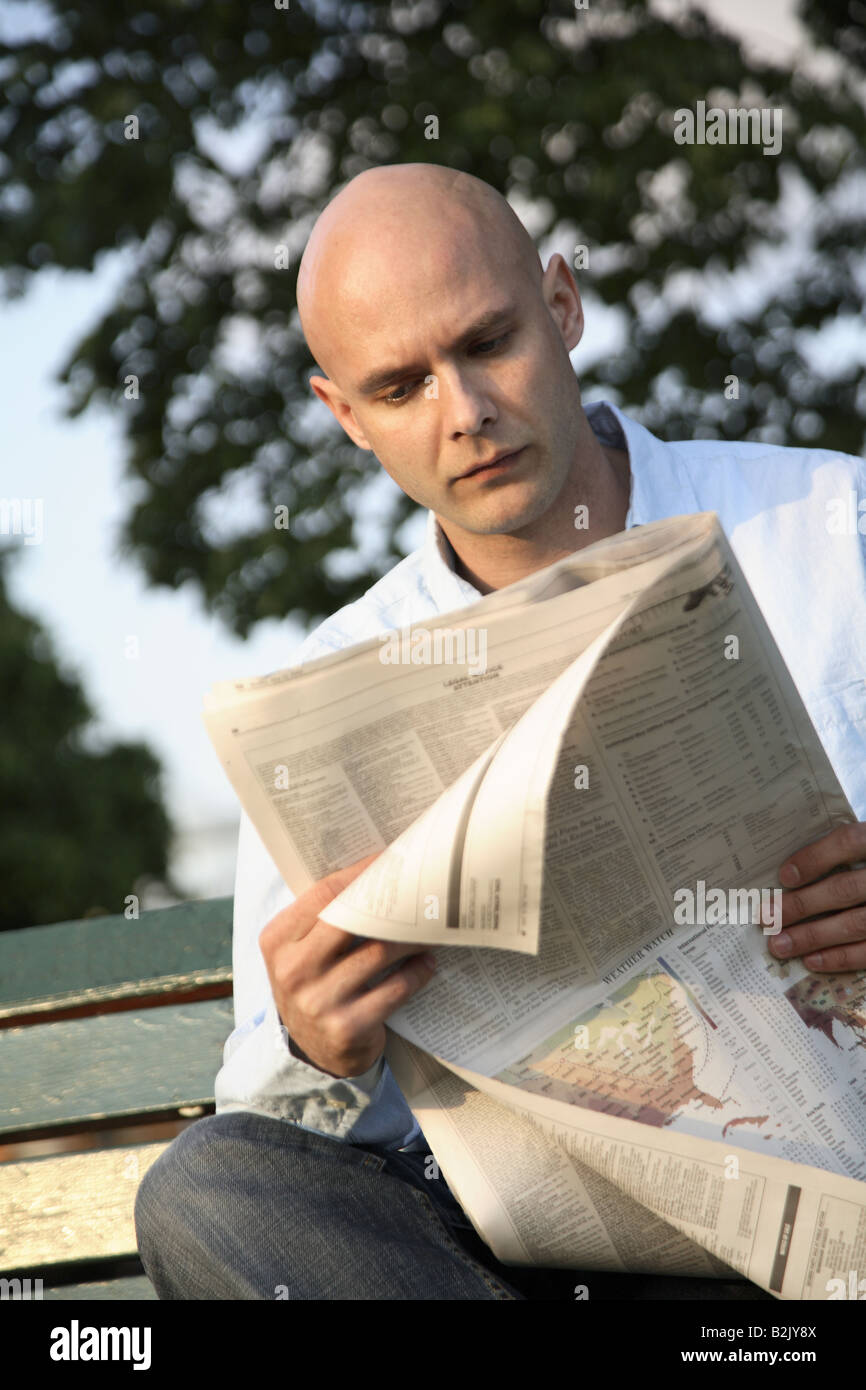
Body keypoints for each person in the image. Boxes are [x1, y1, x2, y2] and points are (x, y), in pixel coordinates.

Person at [135, 162, 866, 1300]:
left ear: (561, 307)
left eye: (487, 342)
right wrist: (312, 1046)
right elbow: (280, 1123)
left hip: (828, 1219)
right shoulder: (319, 691)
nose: (463, 411)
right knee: (210, 1187)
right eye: (399, 387)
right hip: (520, 1260)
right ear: (343, 417)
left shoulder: (833, 529)